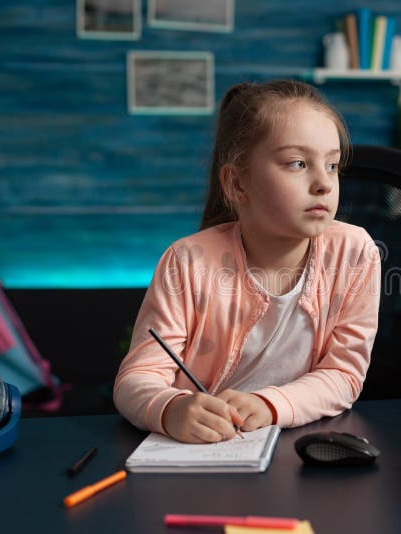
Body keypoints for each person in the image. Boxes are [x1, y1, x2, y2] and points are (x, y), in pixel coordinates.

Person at [113, 80, 381, 443]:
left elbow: (344, 374)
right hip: (204, 450)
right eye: (298, 163)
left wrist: (269, 405)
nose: (323, 184)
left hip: (301, 446)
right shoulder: (187, 261)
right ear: (238, 185)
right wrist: (170, 408)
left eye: (332, 166)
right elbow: (135, 379)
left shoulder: (355, 253)